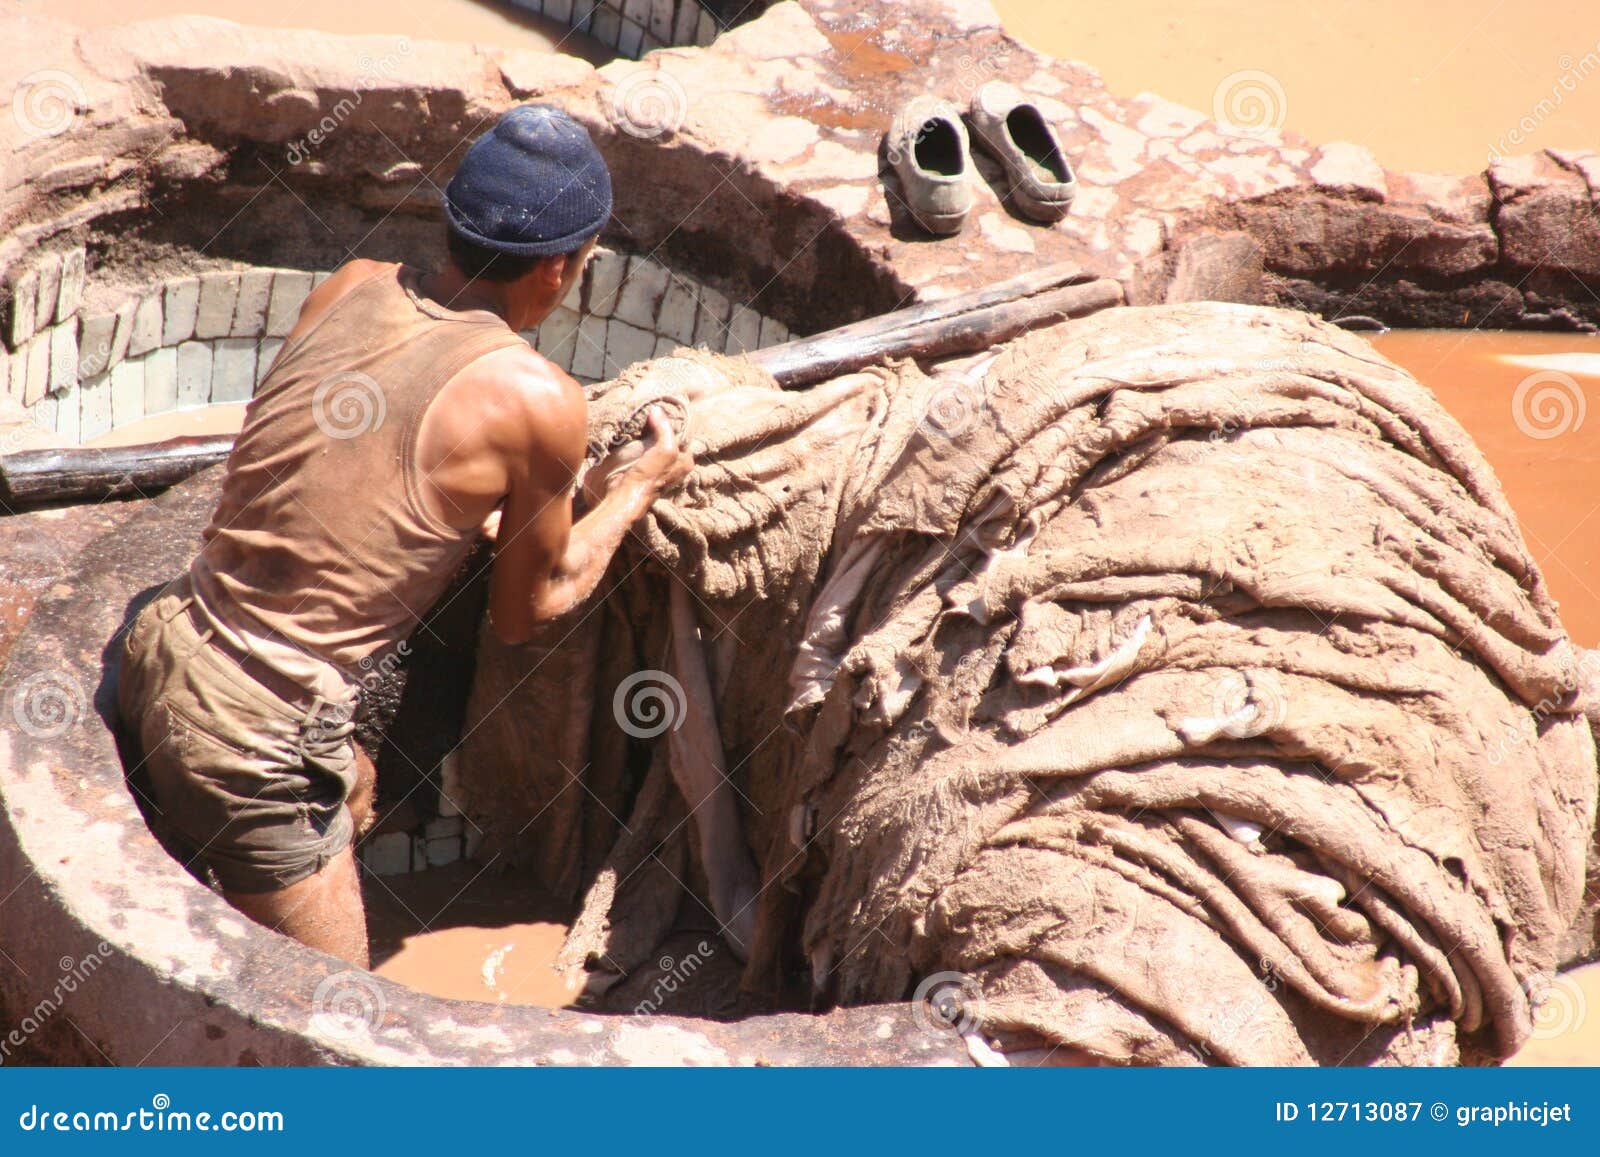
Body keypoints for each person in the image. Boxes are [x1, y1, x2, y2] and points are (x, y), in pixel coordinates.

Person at [116, 105, 692, 967]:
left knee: (354, 790)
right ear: (565, 269)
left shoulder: (352, 283)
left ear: (452, 229)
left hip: (163, 637)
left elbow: (333, 464)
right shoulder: (537, 399)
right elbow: (527, 611)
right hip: (256, 730)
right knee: (332, 1023)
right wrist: (637, 487)